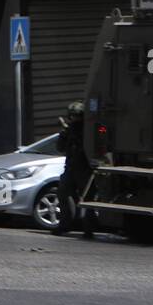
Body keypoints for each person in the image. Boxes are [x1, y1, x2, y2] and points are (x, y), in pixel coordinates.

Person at [53, 100, 93, 237]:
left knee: (88, 200)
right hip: (70, 168)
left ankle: (88, 229)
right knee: (63, 194)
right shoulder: (69, 130)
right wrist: (64, 133)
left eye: (77, 116)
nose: (75, 118)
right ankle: (65, 225)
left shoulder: (90, 129)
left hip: (86, 169)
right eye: (72, 116)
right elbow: (60, 148)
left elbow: (99, 137)